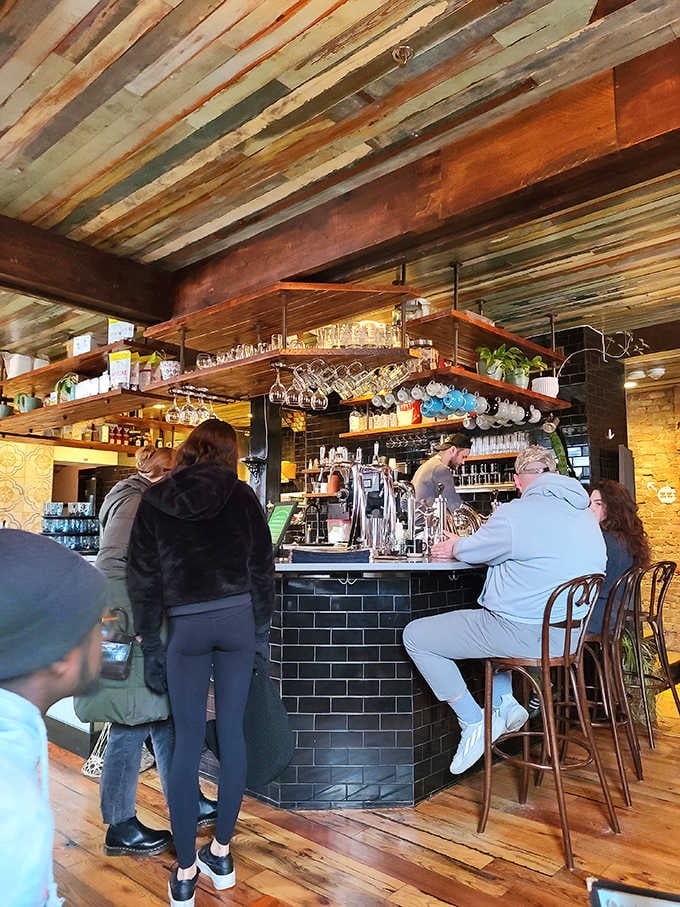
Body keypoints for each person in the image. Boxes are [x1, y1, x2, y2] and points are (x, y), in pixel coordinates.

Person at [127, 420, 275, 907]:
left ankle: (187, 872)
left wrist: (151, 647)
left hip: (184, 630)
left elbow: (143, 583)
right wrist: (258, 639)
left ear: (189, 450)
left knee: (187, 743)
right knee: (231, 734)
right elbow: (261, 573)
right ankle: (223, 853)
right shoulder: (244, 496)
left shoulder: (155, 499)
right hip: (235, 622)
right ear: (230, 454)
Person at [403, 445, 606, 776]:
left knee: (417, 636)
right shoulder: (585, 513)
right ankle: (505, 704)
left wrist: (454, 544)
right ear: (554, 474)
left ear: (517, 481)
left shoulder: (516, 513)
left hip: (526, 636)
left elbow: (471, 549)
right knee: (497, 621)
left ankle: (473, 721)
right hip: (569, 637)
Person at [75, 445, 217, 858]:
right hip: (132, 625)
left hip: (136, 621)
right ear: (163, 474)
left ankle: (185, 803)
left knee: (163, 718)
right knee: (130, 722)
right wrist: (137, 627)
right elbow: (116, 565)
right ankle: (120, 826)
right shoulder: (138, 501)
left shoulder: (139, 498)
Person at [0, 530, 106, 907]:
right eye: (97, 623)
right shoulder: (10, 809)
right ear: (61, 654)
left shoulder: (17, 748)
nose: (105, 637)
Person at [587, 479, 651, 634]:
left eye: (598, 504)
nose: (590, 509)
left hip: (597, 616)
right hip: (614, 613)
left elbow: (590, 584)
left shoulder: (604, 542)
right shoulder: (628, 538)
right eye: (589, 503)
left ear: (614, 508)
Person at [412, 432, 471, 512]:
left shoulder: (429, 464)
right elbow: (453, 505)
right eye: (463, 457)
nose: (463, 462)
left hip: (417, 521)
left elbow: (405, 501)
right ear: (453, 450)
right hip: (427, 523)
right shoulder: (440, 469)